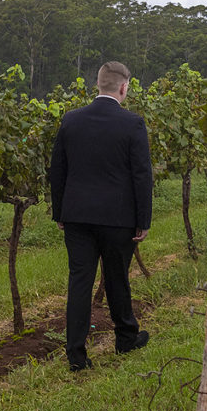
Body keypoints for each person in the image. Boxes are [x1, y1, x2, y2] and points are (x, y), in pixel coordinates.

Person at [49, 60, 153, 371]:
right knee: (117, 278)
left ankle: (76, 356)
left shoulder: (71, 120)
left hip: (77, 217)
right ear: (124, 88)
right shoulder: (132, 124)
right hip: (118, 218)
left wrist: (60, 212)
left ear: (98, 85)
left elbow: (58, 172)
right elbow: (141, 176)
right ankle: (125, 338)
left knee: (79, 281)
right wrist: (143, 220)